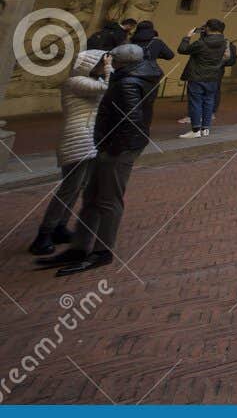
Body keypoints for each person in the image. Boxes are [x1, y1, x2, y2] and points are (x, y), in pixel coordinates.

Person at [36, 43, 159, 276]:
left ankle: (102, 251)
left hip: (117, 149)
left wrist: (111, 148)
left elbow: (130, 119)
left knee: (108, 199)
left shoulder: (127, 83)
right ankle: (80, 247)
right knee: (91, 196)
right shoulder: (133, 77)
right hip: (111, 146)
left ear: (120, 62)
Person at [27, 48, 108, 256]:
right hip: (77, 138)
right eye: (101, 61)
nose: (104, 64)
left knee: (78, 186)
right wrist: (109, 69)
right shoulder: (76, 81)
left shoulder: (86, 81)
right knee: (68, 189)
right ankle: (43, 234)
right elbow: (106, 88)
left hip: (89, 137)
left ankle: (60, 227)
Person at [177, 18, 235, 137]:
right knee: (209, 102)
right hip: (213, 76)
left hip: (197, 76)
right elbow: (226, 57)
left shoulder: (202, 42)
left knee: (196, 103)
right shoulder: (225, 42)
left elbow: (182, 50)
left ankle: (196, 130)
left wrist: (187, 36)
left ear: (208, 28)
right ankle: (206, 129)